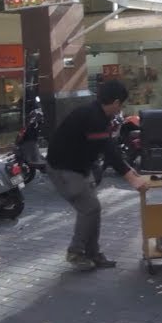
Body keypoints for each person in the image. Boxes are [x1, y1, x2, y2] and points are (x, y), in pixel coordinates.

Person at [45, 80, 149, 271]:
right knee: (90, 208)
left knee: (92, 209)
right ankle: (76, 252)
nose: (121, 110)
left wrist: (127, 169)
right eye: (122, 105)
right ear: (116, 102)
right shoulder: (93, 117)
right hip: (64, 169)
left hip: (79, 167)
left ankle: (92, 253)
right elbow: (108, 150)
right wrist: (131, 178)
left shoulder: (96, 113)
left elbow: (108, 146)